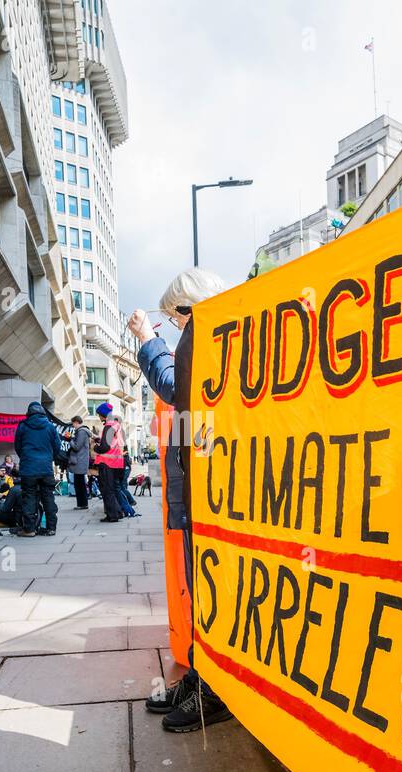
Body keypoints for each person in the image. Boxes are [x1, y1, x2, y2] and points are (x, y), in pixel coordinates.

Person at [128, 267, 234, 732]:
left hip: (208, 496)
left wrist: (148, 339)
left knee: (210, 594)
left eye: (174, 317)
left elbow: (177, 388)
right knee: (203, 592)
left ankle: (213, 687)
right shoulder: (217, 335)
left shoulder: (205, 335)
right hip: (205, 492)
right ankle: (200, 675)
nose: (173, 325)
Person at [13, 400, 60, 538]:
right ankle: (51, 528)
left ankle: (29, 529)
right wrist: (48, 458)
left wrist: (26, 458)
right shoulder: (50, 426)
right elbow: (57, 446)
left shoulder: (23, 426)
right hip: (45, 468)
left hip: (29, 468)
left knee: (29, 497)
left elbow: (18, 446)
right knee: (48, 497)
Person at [92, 402, 125, 522]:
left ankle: (113, 515)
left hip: (107, 463)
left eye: (99, 414)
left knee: (107, 490)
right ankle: (118, 512)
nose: (98, 417)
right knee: (113, 489)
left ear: (102, 414)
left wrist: (96, 447)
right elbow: (113, 442)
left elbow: (105, 447)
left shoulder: (108, 426)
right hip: (117, 462)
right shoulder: (116, 425)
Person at [68, 414, 91, 510]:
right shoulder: (81, 431)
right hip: (80, 460)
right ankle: (82, 504)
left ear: (77, 422)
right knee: (79, 483)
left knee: (79, 484)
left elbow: (77, 447)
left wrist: (70, 440)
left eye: (73, 424)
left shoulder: (81, 432)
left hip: (80, 461)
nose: (73, 426)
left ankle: (82, 504)